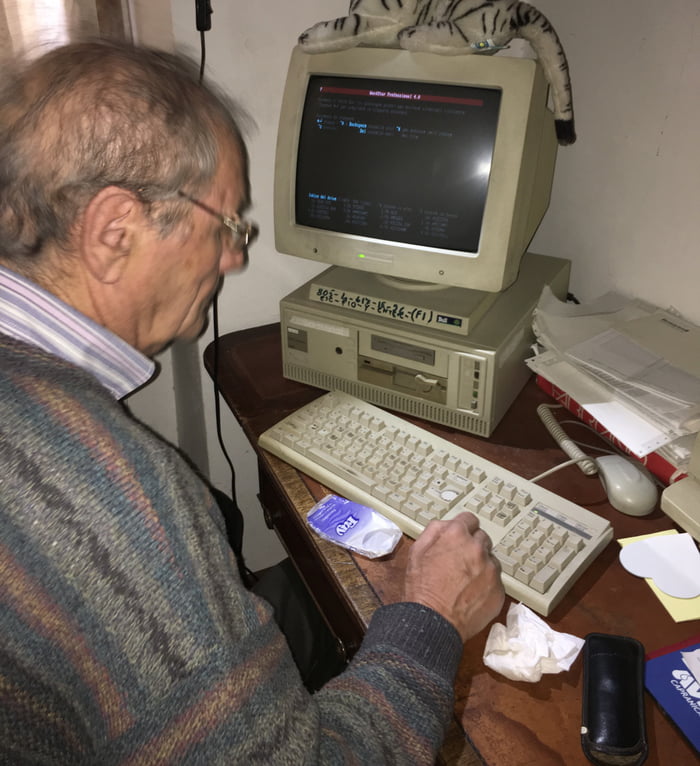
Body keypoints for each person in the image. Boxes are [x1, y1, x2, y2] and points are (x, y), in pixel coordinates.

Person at [0, 39, 504, 765]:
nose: (234, 258)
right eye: (230, 227)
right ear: (114, 233)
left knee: (297, 592)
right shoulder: (110, 494)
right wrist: (428, 616)